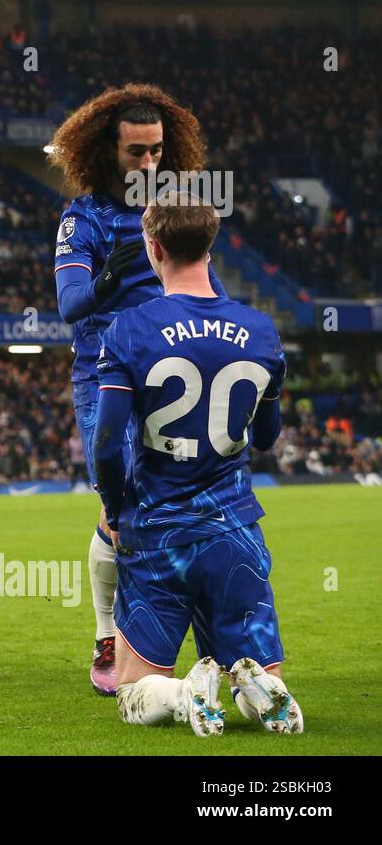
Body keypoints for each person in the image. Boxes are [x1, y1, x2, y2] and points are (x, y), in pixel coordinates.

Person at [93, 198, 303, 736]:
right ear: (209, 248)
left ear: (154, 248)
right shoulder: (260, 330)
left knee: (132, 688)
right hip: (234, 530)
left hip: (158, 532)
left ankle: (186, 693)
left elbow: (108, 441)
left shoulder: (129, 328)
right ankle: (260, 693)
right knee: (256, 669)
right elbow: (266, 437)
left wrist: (116, 511)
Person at [49, 83, 226, 695]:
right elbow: (71, 306)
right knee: (121, 512)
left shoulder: (174, 212)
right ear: (108, 153)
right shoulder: (84, 218)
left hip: (176, 381)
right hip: (107, 376)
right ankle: (108, 636)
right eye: (136, 153)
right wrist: (106, 280)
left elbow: (212, 292)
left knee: (189, 509)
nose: (148, 164)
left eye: (156, 152)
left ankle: (182, 637)